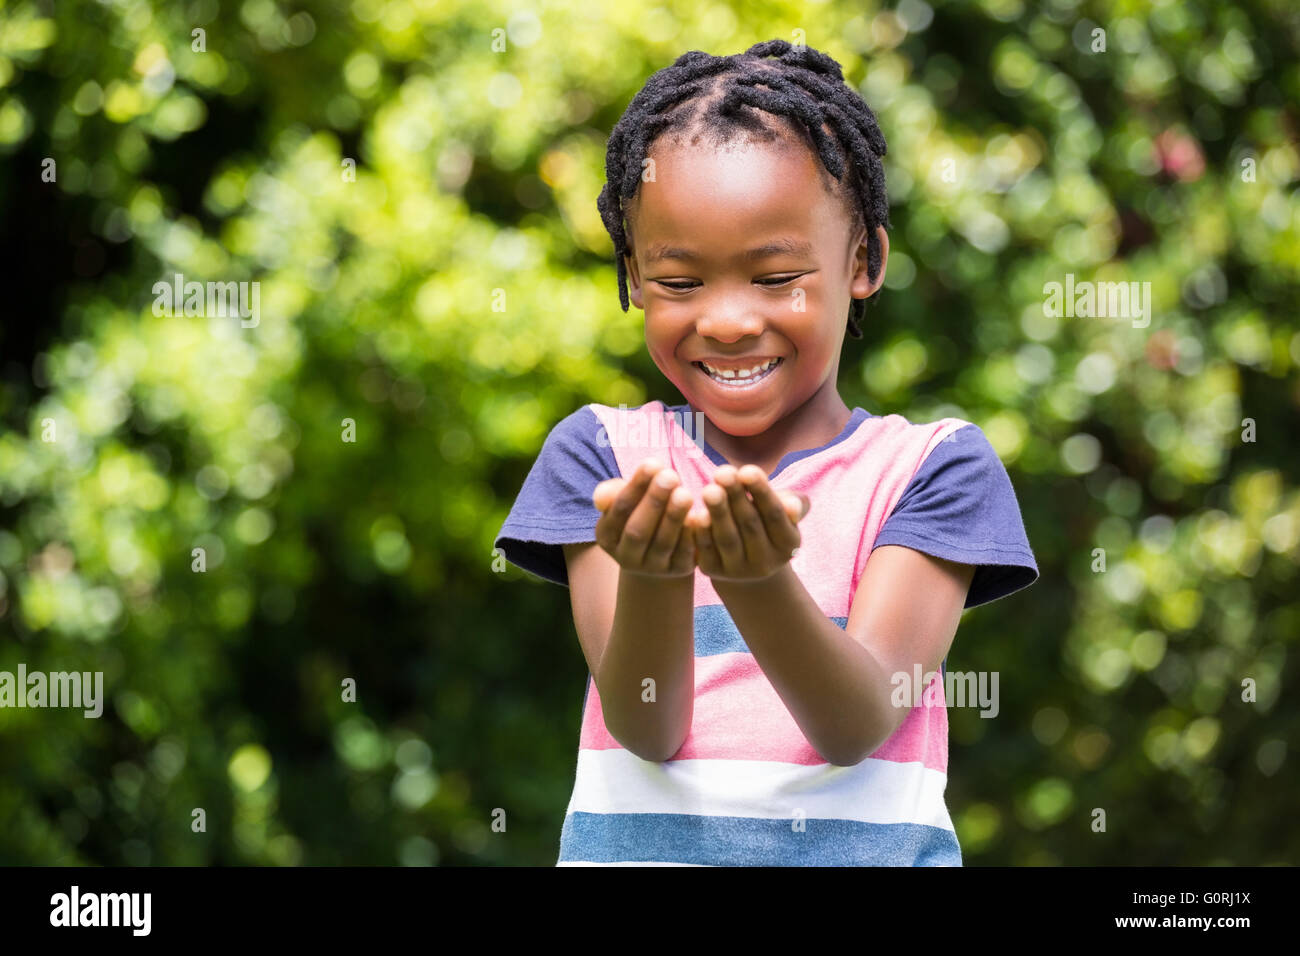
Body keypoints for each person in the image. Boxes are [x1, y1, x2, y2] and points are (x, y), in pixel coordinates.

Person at [493, 38, 1039, 865]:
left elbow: (856, 721)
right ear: (634, 275)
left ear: (865, 261)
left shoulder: (932, 470)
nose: (728, 321)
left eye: (776, 276)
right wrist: (656, 570)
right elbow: (645, 723)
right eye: (680, 283)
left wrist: (757, 581)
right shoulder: (604, 456)